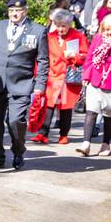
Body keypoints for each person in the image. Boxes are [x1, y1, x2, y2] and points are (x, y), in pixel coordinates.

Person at [0, 0, 49, 171]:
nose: (14, 14)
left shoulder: (38, 31)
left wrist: (39, 86)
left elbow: (43, 60)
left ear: (25, 10)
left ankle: (18, 150)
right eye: (11, 11)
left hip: (21, 84)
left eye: (18, 10)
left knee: (15, 121)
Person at [33, 8, 88, 145]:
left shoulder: (78, 36)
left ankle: (64, 135)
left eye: (63, 26)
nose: (60, 29)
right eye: (58, 25)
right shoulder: (49, 36)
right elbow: (41, 56)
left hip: (68, 77)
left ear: (69, 25)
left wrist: (74, 56)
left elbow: (85, 56)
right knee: (48, 105)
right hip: (52, 76)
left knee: (65, 107)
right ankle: (42, 133)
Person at [77, 14, 111, 155]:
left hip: (109, 82)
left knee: (109, 115)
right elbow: (90, 57)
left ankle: (105, 145)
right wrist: (86, 75)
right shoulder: (98, 38)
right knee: (91, 112)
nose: (108, 33)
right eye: (106, 30)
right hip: (95, 79)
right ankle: (86, 144)